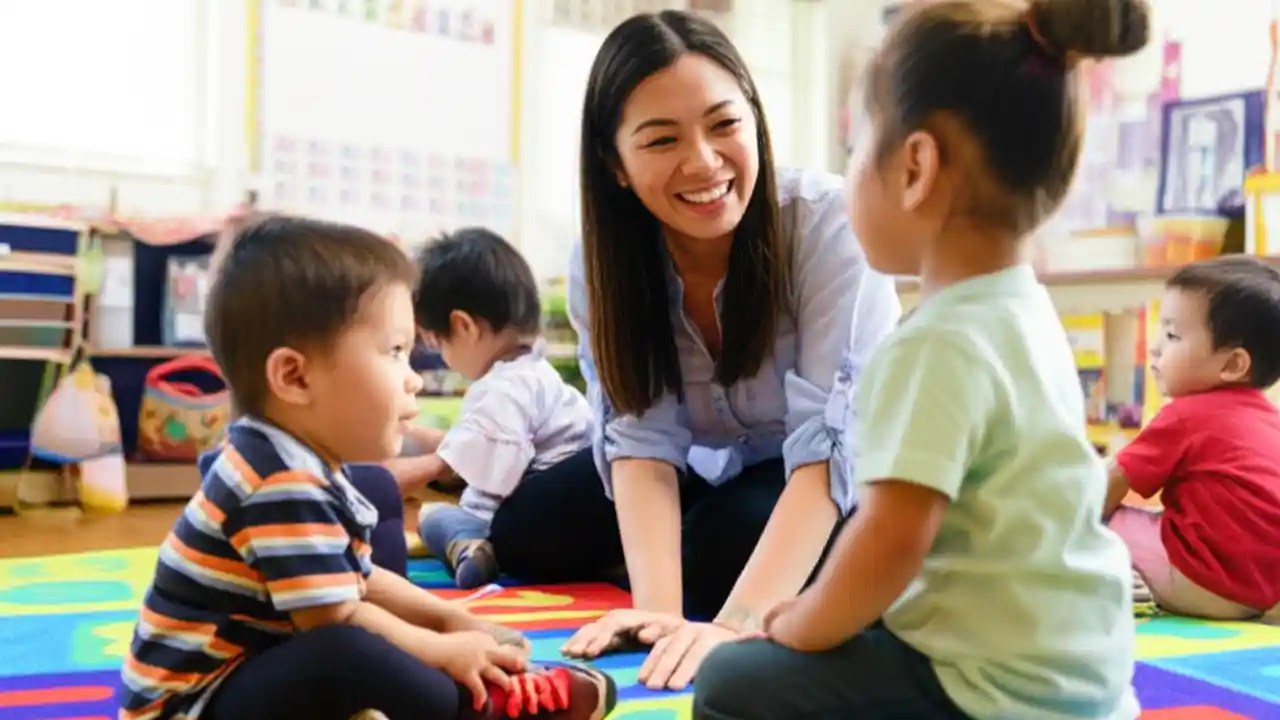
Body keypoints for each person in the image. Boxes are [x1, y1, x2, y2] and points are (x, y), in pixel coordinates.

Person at [693, 0, 1147, 717]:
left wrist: (800, 622)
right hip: (1083, 682)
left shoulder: (935, 343)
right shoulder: (1024, 311)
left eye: (857, 146)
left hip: (989, 693)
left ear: (914, 167)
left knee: (731, 684)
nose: (848, 176)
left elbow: (891, 540)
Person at [484, 9, 901, 690]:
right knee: (525, 532)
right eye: (660, 139)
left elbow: (829, 450)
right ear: (613, 164)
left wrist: (734, 630)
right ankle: (687, 555)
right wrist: (656, 615)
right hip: (699, 465)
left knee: (725, 546)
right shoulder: (606, 260)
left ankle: (717, 557)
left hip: (817, 476)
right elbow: (642, 440)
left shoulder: (828, 224)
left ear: (755, 119)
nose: (704, 162)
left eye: (724, 125)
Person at [117, 216, 616, 720]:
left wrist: (450, 620)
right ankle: (471, 706)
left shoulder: (298, 460)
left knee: (374, 503)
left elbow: (359, 576)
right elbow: (338, 618)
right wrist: (442, 651)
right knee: (344, 652)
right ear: (294, 377)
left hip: (254, 671)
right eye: (395, 353)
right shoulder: (275, 481)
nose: (414, 379)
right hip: (192, 707)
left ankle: (410, 689)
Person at [408, 228, 594, 589]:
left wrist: (469, 525)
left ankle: (469, 545)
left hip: (543, 518)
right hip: (577, 507)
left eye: (437, 342)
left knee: (433, 518)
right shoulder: (538, 374)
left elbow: (494, 475)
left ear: (463, 326)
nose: (444, 357)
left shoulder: (500, 388)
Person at [1104, 256, 1280, 623]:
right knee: (1154, 519)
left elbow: (1110, 483)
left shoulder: (1186, 416)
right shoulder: (1269, 421)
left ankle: (1116, 583)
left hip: (1201, 584)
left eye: (1172, 336)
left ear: (1232, 365)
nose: (1155, 349)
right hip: (1262, 595)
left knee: (1097, 518)